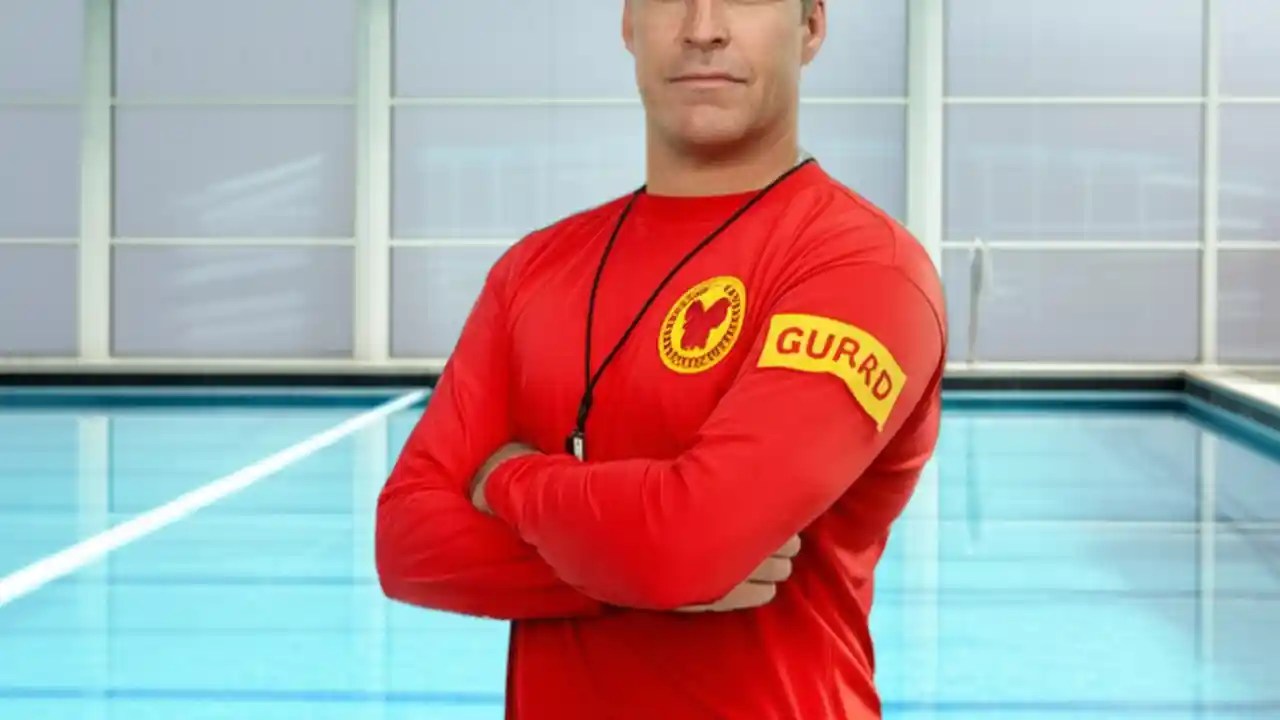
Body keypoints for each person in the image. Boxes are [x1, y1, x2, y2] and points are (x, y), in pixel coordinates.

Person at [375, 0, 947, 717]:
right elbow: (406, 545)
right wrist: (643, 563)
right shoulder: (534, 271)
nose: (702, 27)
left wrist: (506, 478)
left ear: (811, 28)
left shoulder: (862, 266)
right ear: (628, 25)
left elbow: (692, 543)